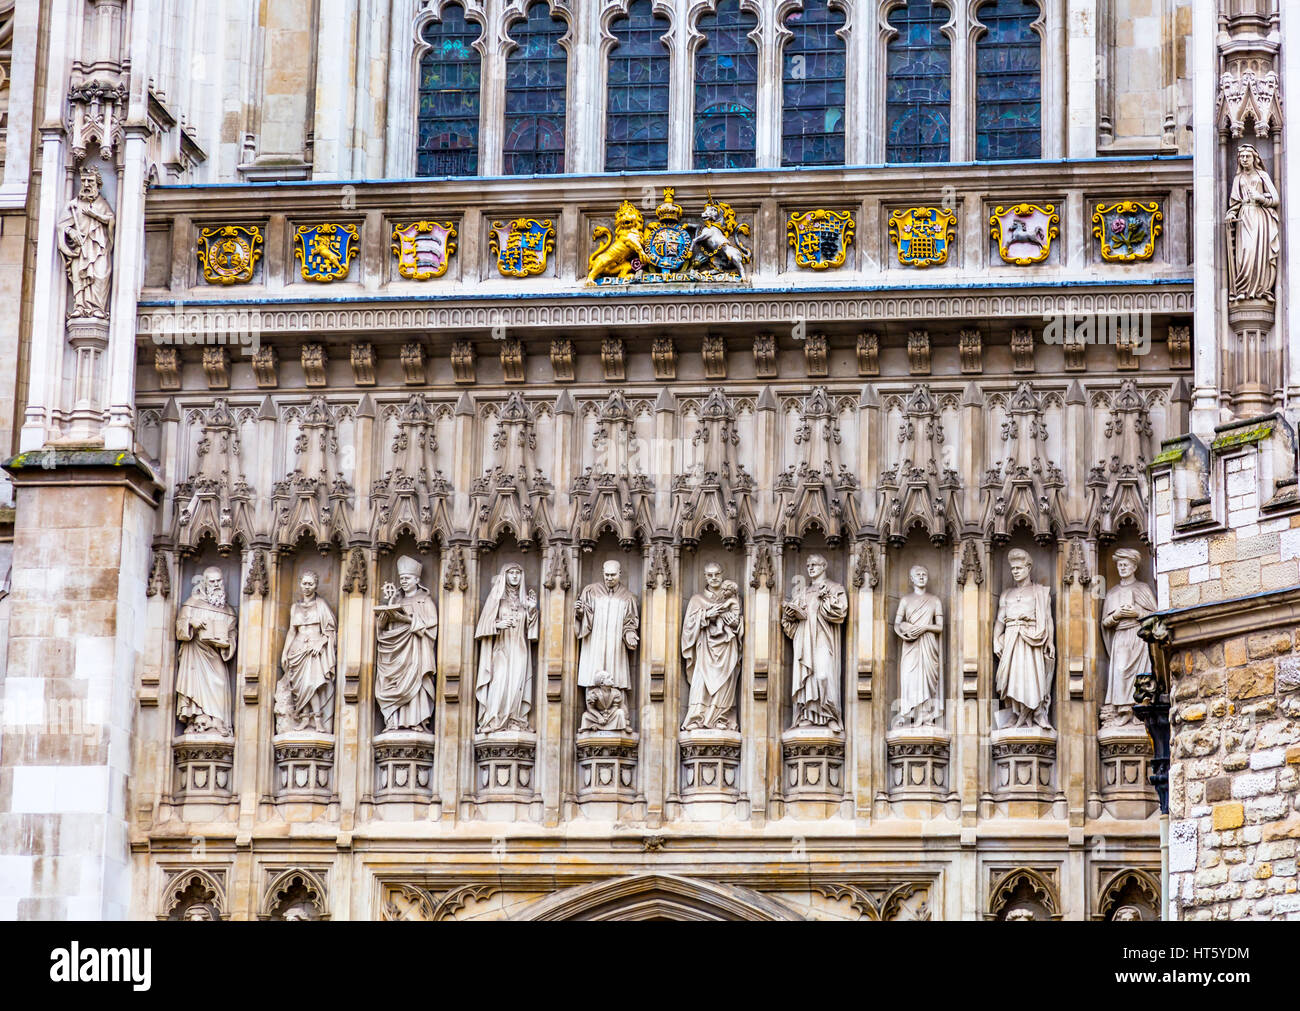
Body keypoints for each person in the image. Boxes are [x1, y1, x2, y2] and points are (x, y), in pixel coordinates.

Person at [781, 554, 848, 732]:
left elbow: (840, 613)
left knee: (823, 675)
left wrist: (826, 599)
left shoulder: (835, 588)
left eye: (815, 565)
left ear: (824, 566)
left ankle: (830, 715)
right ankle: (807, 715)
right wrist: (789, 615)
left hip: (823, 639)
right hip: (804, 641)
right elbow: (790, 626)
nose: (810, 568)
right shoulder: (802, 592)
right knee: (807, 678)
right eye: (808, 565)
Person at [374, 555, 438, 732]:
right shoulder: (396, 600)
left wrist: (406, 619)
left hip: (415, 651)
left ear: (417, 579)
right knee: (392, 682)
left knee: (415, 682)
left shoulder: (425, 601)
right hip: (395, 651)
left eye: (407, 578)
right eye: (401, 578)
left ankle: (415, 721)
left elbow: (431, 627)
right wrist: (382, 622)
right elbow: (384, 630)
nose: (404, 581)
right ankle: (394, 721)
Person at [993, 549, 1055, 729]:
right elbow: (999, 620)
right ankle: (1015, 714)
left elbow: (1048, 619)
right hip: (1011, 637)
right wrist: (995, 639)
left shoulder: (1040, 592)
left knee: (1032, 677)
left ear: (1028, 568)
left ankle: (1036, 713)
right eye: (1013, 569)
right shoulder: (1006, 594)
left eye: (1019, 568)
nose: (1015, 572)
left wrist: (1050, 641)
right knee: (1010, 678)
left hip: (1032, 639)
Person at [474, 563, 539, 733]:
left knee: (517, 684)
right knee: (500, 681)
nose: (515, 576)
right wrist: (498, 624)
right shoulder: (496, 598)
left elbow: (531, 631)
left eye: (518, 573)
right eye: (511, 573)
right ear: (505, 575)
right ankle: (494, 720)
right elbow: (482, 626)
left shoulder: (524, 601)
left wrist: (532, 611)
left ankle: (514, 719)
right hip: (501, 649)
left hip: (520, 648)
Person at [680, 563, 743, 731]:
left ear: (722, 574)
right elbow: (687, 628)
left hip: (727, 647)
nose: (714, 578)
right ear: (705, 577)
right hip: (704, 649)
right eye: (709, 575)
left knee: (725, 684)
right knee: (700, 682)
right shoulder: (697, 600)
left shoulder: (733, 599)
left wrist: (736, 623)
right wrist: (706, 615)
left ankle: (722, 718)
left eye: (716, 574)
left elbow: (738, 623)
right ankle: (697, 717)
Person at [175, 566, 237, 736]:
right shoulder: (192, 605)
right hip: (195, 654)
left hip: (214, 654)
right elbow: (180, 629)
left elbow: (232, 636)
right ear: (204, 583)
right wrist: (191, 623)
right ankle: (196, 721)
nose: (216, 585)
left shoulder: (228, 611)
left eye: (219, 581)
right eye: (212, 581)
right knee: (196, 685)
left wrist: (226, 644)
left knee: (221, 682)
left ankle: (217, 721)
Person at [1101, 549, 1157, 727]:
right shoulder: (1112, 593)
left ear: (1134, 567)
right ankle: (1123, 710)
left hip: (1138, 636)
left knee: (1140, 674)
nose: (1122, 568)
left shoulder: (1143, 589)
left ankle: (1139, 710)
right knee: (1120, 671)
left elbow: (1155, 615)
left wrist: (1137, 612)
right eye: (1119, 565)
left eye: (1125, 565)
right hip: (1121, 638)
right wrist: (1116, 615)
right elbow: (1105, 622)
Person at [279, 570, 337, 733]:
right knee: (300, 687)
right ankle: (305, 719)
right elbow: (291, 631)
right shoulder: (294, 607)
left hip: (313, 650)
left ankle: (317, 720)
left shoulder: (321, 605)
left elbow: (331, 630)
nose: (307, 587)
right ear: (300, 584)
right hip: (297, 649)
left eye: (310, 584)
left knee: (311, 685)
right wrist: (285, 652)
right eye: (304, 583)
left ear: (316, 585)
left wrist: (321, 641)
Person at [57, 165, 116, 318]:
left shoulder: (102, 204)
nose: (87, 184)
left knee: (100, 274)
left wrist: (96, 216)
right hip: (81, 249)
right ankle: (80, 306)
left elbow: (111, 221)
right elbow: (62, 225)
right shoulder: (74, 205)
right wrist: (71, 231)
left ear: (98, 184)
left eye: (90, 181)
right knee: (80, 276)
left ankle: (97, 308)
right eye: (84, 181)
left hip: (98, 249)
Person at [575, 560, 640, 695]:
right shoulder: (591, 591)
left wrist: (629, 634)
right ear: (602, 573)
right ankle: (593, 702)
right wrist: (580, 612)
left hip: (614, 644)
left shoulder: (628, 597)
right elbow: (585, 618)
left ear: (620, 574)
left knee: (614, 675)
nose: (609, 578)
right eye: (607, 575)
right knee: (593, 673)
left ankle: (615, 703)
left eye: (613, 575)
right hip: (595, 643)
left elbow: (630, 622)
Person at [1226, 143, 1280, 301]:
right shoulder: (1238, 178)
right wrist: (1230, 214)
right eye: (1241, 157)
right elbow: (1234, 204)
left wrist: (1260, 197)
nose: (1244, 159)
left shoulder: (1262, 175)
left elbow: (1275, 199)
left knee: (1260, 253)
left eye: (1247, 156)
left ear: (1254, 158)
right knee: (1246, 253)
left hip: (1260, 217)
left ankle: (1263, 290)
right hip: (1244, 217)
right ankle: (1242, 289)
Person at [893, 564, 943, 728]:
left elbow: (940, 627)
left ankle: (925, 716)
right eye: (918, 574)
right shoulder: (905, 600)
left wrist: (925, 627)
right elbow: (896, 624)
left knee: (926, 680)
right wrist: (905, 632)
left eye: (924, 574)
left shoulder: (935, 600)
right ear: (911, 579)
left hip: (928, 644)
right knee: (910, 678)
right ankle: (911, 714)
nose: (921, 577)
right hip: (911, 644)